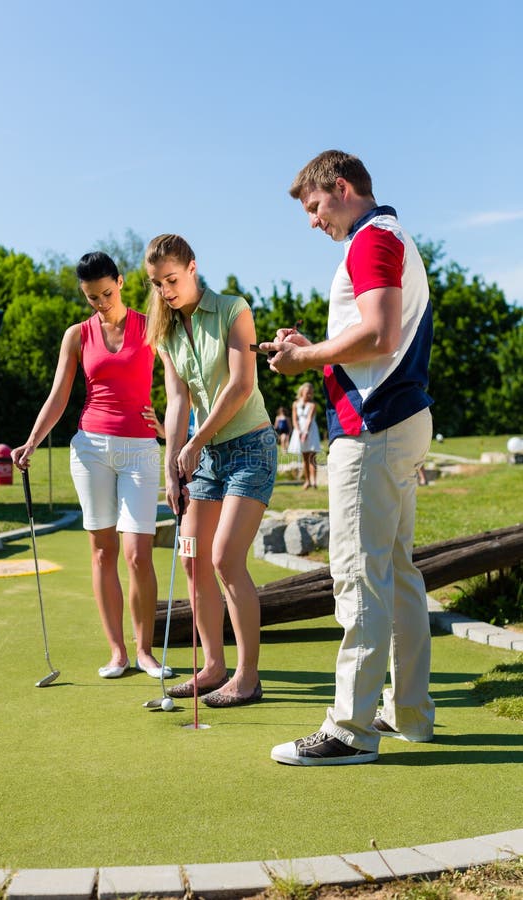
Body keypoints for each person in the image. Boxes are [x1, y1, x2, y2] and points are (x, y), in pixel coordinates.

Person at [261, 150, 434, 765]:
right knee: (396, 571)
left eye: (313, 207)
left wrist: (304, 361)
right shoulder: (390, 236)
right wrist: (316, 350)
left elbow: (381, 334)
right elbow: (373, 341)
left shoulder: (369, 239)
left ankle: (351, 730)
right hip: (395, 418)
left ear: (340, 188)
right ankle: (408, 713)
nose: (313, 221)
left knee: (359, 574)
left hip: (374, 426)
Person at [11, 251, 171, 682]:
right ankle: (117, 652)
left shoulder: (151, 324)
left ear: (120, 282)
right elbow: (59, 395)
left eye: (106, 292)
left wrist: (169, 426)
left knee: (139, 554)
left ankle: (145, 651)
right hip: (90, 449)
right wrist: (31, 442)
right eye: (91, 297)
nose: (100, 303)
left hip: (139, 448)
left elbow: (179, 380)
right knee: (103, 551)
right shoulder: (77, 335)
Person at [145, 233, 277, 707]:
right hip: (204, 461)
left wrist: (195, 443)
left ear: (194, 268)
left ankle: (247, 676)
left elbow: (242, 384)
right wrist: (170, 467)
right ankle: (214, 667)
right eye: (158, 284)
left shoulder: (232, 309)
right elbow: (177, 400)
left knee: (224, 558)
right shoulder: (166, 331)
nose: (166, 291)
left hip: (248, 448)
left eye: (173, 280)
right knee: (192, 555)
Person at [287, 383, 321, 488]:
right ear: (302, 392)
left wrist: (305, 432)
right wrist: (299, 431)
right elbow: (294, 419)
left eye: (311, 392)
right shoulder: (295, 404)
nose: (310, 394)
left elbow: (310, 419)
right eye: (308, 392)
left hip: (310, 430)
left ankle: (314, 481)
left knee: (312, 457)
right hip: (299, 431)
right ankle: (307, 481)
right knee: (305, 457)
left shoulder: (313, 405)